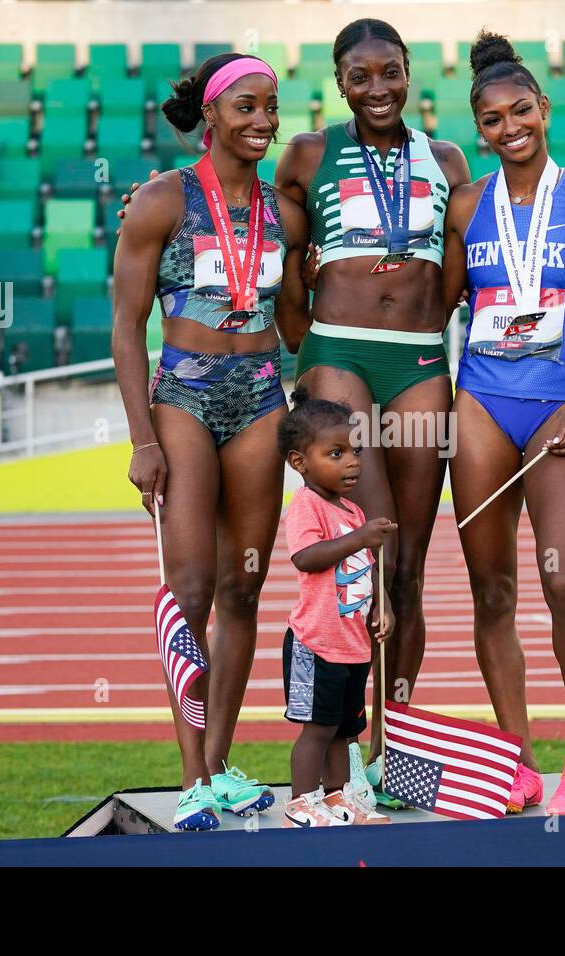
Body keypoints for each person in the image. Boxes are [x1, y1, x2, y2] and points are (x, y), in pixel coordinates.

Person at [274, 18, 473, 803]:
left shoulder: (447, 159)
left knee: (411, 564)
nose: (379, 88)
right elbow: (260, 228)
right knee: (363, 553)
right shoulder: (306, 154)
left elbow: (480, 241)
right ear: (339, 82)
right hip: (339, 352)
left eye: (390, 72)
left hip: (420, 357)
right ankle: (339, 750)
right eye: (361, 77)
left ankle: (398, 746)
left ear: (408, 71)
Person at [113, 52, 311, 831]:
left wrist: (321, 270)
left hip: (262, 395)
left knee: (244, 588)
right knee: (191, 590)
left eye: (271, 108)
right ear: (213, 116)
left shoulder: (286, 214)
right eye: (247, 108)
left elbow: (295, 322)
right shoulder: (161, 201)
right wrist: (141, 440)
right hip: (184, 397)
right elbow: (127, 328)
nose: (262, 121)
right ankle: (190, 772)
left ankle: (224, 763)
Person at [442, 32, 565, 815]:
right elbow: (444, 298)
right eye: (491, 120)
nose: (508, 127)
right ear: (479, 130)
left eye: (520, 111)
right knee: (492, 592)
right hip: (482, 401)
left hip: (559, 406)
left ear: (543, 109)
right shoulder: (466, 204)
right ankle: (516, 758)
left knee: (563, 582)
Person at [279, 386, 395, 827]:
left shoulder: (352, 511)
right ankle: (300, 801)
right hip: (316, 644)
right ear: (300, 462)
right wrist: (359, 538)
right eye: (336, 453)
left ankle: (337, 797)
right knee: (317, 729)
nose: (352, 462)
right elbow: (306, 558)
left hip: (352, 646)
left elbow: (366, 569)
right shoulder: (307, 506)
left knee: (345, 731)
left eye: (355, 451)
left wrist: (382, 607)